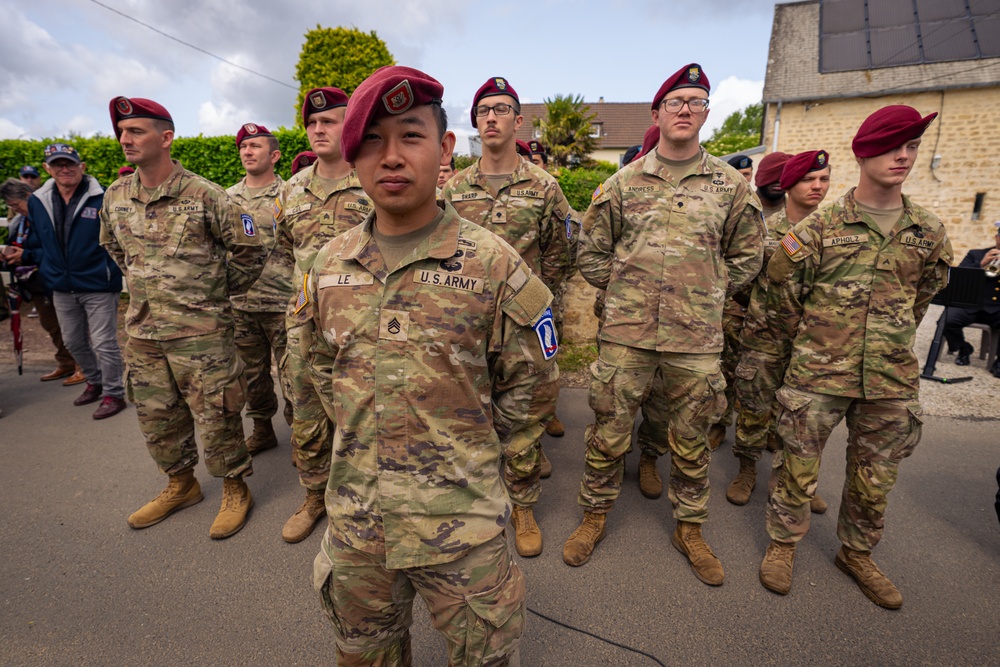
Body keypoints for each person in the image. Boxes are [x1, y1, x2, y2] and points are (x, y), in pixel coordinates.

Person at [304, 65, 556, 666]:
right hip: (359, 521)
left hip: (461, 524)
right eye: (372, 141)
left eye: (410, 135)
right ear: (353, 155)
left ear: (444, 149)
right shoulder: (327, 263)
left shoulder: (494, 264)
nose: (390, 157)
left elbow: (532, 388)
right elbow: (316, 370)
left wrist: (471, 456)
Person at [563, 63, 764, 586]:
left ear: (705, 114)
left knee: (692, 438)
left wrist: (710, 292)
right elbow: (592, 252)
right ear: (657, 113)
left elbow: (748, 256)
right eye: (675, 102)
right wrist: (626, 294)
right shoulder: (622, 183)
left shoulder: (729, 185)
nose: (684, 110)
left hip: (695, 341)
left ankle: (690, 528)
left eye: (695, 102)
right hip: (626, 337)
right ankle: (593, 516)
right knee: (607, 432)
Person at [757, 105, 952, 609]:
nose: (904, 156)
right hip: (817, 373)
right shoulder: (819, 228)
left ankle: (857, 552)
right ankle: (783, 544)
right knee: (796, 466)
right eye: (892, 146)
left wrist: (886, 338)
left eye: (911, 146)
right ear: (863, 152)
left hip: (889, 377)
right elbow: (781, 302)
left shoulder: (927, 230)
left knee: (875, 476)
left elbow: (922, 297)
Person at [100, 96, 268, 539]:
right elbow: (115, 249)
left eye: (136, 130)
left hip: (202, 334)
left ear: (166, 137)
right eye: (122, 132)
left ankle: (235, 487)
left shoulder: (204, 194)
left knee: (217, 413)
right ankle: (181, 483)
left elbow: (249, 250)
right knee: (158, 416)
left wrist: (214, 295)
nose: (126, 139)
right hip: (145, 332)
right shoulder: (116, 196)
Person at [440, 75, 575, 557]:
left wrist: (534, 298)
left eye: (501, 109)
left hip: (523, 328)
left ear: (519, 121)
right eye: (483, 111)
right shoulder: (452, 190)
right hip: (466, 324)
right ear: (475, 123)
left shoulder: (544, 187)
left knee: (524, 423)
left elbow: (561, 252)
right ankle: (472, 502)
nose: (491, 117)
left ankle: (522, 507)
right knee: (464, 417)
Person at [275, 86, 372, 544]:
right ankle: (314, 497)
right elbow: (282, 250)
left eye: (328, 121)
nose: (318, 129)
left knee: (364, 414)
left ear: (348, 125)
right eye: (312, 123)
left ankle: (367, 502)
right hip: (304, 326)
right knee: (307, 415)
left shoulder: (371, 179)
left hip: (362, 327)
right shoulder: (291, 189)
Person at [728, 150, 832, 509]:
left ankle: (795, 478)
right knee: (754, 409)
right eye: (809, 180)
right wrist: (761, 311)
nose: (818, 186)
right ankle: (746, 471)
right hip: (764, 340)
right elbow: (741, 281)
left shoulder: (834, 232)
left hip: (814, 346)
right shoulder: (763, 231)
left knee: (804, 418)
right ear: (789, 185)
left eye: (824, 179)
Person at [12, 143, 126, 419]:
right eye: (58, 165)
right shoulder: (39, 201)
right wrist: (23, 253)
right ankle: (94, 381)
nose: (65, 169)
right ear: (48, 169)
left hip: (98, 283)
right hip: (61, 285)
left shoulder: (102, 197)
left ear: (82, 167)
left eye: (70, 164)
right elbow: (40, 241)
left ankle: (114, 393)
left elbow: (119, 239)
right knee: (73, 341)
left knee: (103, 341)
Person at [226, 123, 294, 452]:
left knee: (294, 375)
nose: (248, 152)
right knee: (252, 374)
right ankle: (263, 429)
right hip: (241, 303)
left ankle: (303, 438)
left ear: (275, 155)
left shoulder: (291, 193)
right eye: (243, 147)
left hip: (284, 301)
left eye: (255, 146)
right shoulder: (227, 197)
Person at [1, 178, 81, 384]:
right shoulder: (19, 221)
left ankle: (83, 366)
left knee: (72, 325)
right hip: (34, 282)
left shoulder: (47, 214)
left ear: (27, 196)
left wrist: (25, 255)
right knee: (51, 324)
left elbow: (55, 249)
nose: (15, 210)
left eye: (16, 205)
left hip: (56, 279)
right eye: (11, 206)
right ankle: (66, 362)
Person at [940, 221, 1000, 373]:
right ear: (996, 237)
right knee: (947, 319)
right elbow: (958, 277)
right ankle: (962, 347)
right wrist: (981, 263)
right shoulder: (976, 254)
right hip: (971, 304)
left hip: (997, 308)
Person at [754, 152, 790, 219]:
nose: (779, 180)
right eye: (773, 175)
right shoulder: (738, 208)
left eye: (784, 175)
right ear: (760, 177)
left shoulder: (798, 213)